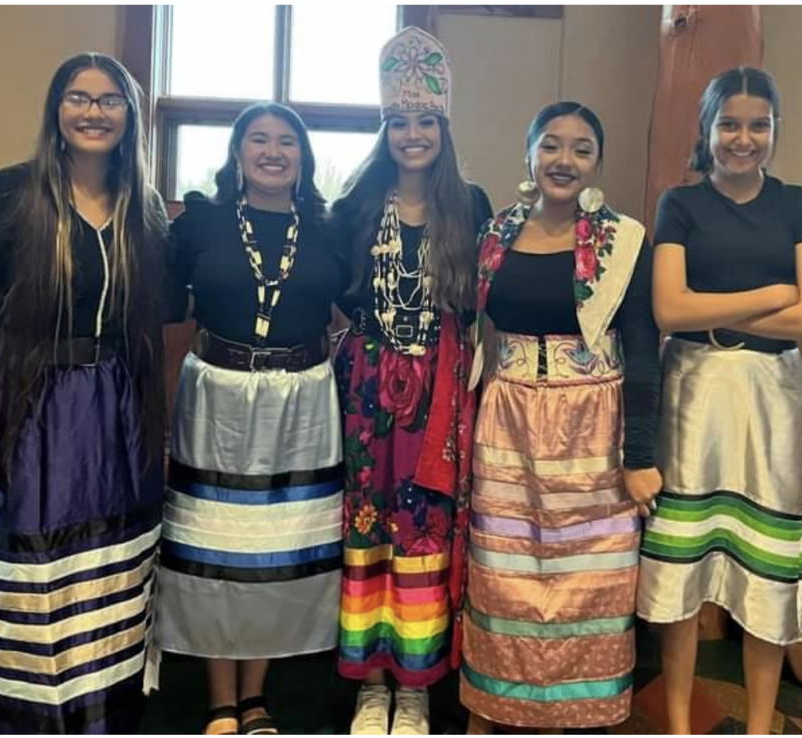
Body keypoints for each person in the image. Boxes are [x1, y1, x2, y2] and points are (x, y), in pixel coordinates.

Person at [0, 52, 170, 733]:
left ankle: (102, 717)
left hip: (118, 417)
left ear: (130, 116)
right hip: (28, 411)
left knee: (108, 581)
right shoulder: (7, 195)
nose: (93, 111)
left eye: (109, 100)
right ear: (56, 110)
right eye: (78, 97)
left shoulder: (144, 210)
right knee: (32, 580)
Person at [637, 67, 802, 736]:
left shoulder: (799, 203)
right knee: (683, 574)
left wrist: (720, 314)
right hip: (692, 392)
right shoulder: (679, 204)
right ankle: (683, 725)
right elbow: (668, 307)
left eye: (757, 125)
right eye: (729, 125)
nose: (743, 139)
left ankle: (756, 726)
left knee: (765, 572)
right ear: (707, 129)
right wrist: (774, 295)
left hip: (770, 396)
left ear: (775, 130)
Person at [460, 102, 662, 733]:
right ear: (529, 155)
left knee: (592, 578)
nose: (564, 160)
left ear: (596, 162)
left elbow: (643, 350)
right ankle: (498, 708)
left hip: (593, 427)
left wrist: (641, 459)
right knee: (503, 573)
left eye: (580, 148)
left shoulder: (622, 242)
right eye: (551, 145)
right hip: (509, 422)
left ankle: (588, 714)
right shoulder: (493, 235)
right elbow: (472, 334)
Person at [154, 102, 345, 736]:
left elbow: (362, 303)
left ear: (303, 157)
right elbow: (157, 295)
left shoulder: (326, 227)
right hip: (217, 393)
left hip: (304, 396)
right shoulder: (200, 222)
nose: (272, 151)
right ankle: (219, 701)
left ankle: (257, 696)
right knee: (215, 548)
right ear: (236, 154)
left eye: (285, 141)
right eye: (257, 140)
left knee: (275, 549)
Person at [332, 26, 493, 736]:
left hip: (442, 392)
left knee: (426, 528)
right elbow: (337, 290)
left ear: (444, 128)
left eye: (425, 122)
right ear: (384, 128)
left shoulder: (472, 205)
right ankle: (372, 682)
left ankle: (419, 684)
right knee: (367, 525)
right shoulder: (358, 205)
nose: (412, 135)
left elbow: (484, 300)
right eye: (399, 123)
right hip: (371, 392)